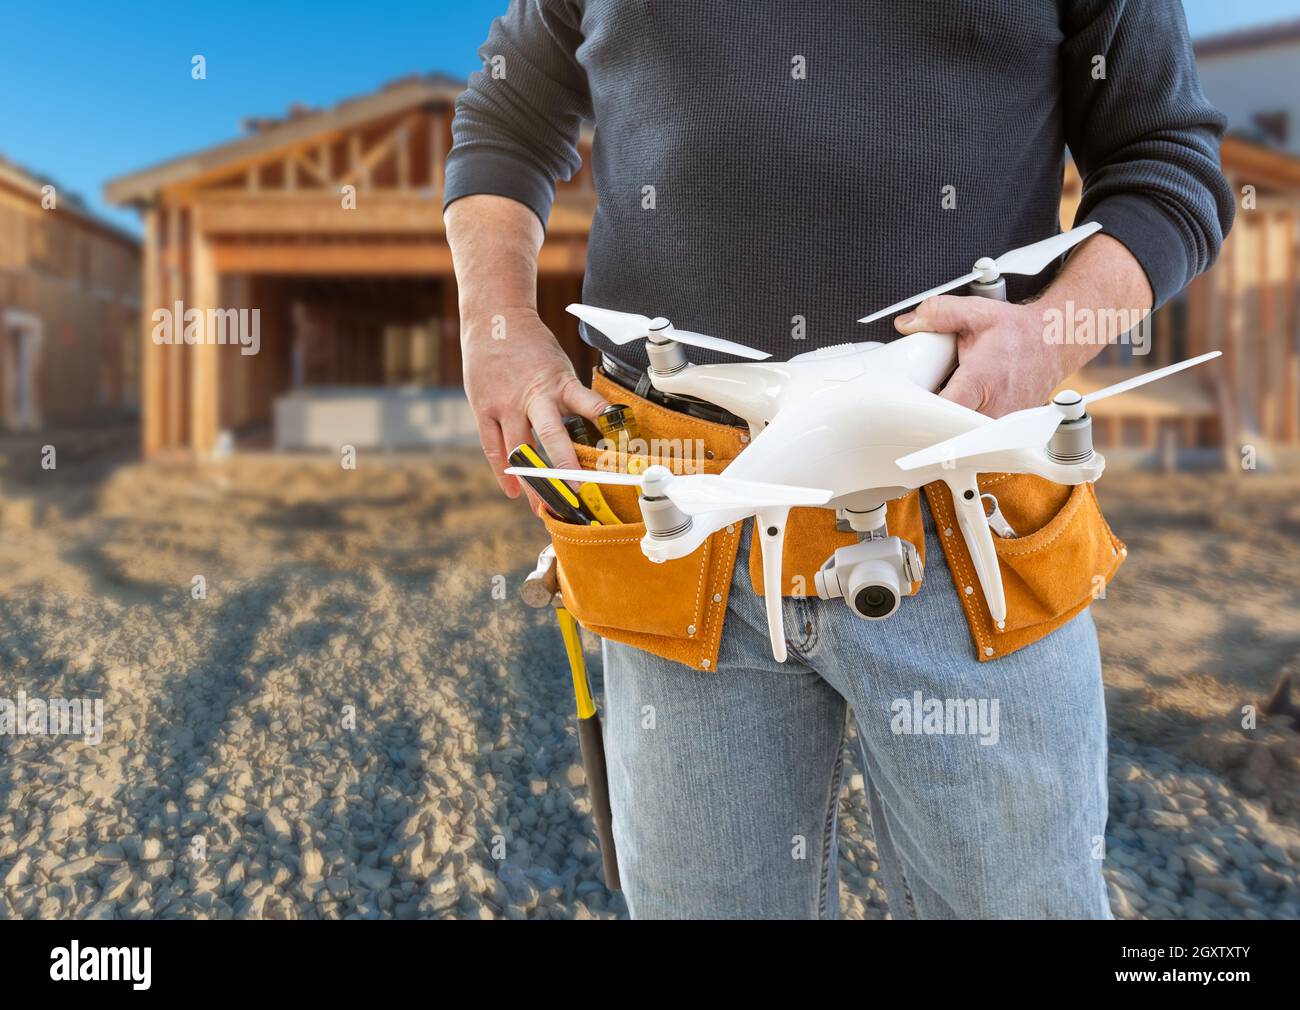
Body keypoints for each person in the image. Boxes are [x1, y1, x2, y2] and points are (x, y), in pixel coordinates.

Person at [444, 1, 1233, 919]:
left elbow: (1166, 161)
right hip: (680, 516)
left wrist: (1051, 338)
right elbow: (506, 119)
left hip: (966, 517)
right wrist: (494, 322)